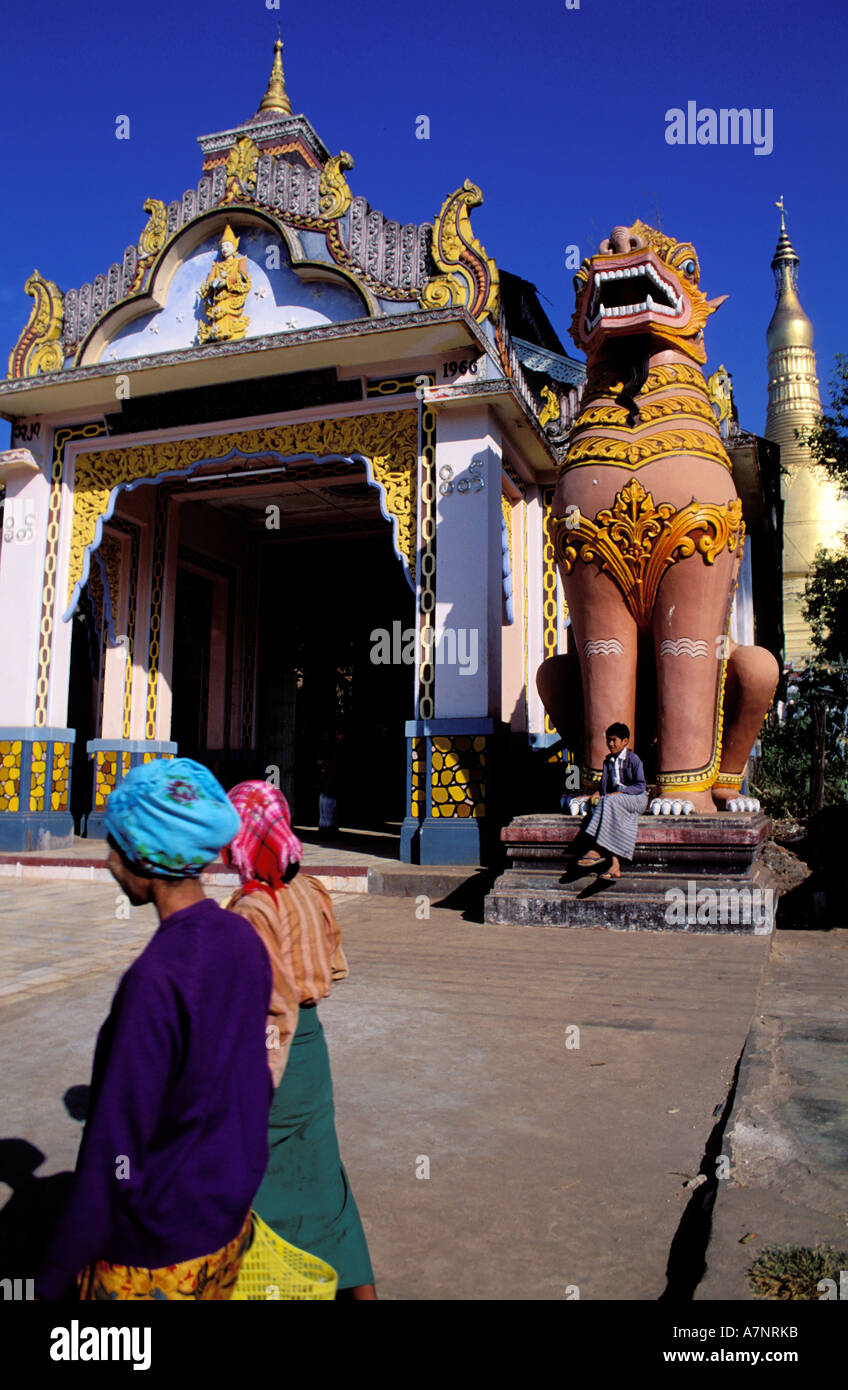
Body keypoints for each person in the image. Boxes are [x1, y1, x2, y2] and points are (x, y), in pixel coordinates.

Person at [35, 758, 273, 1301]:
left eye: (115, 848)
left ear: (144, 857)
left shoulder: (155, 979)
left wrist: (54, 1275)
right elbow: (253, 1082)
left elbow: (114, 1144)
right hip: (225, 1225)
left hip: (153, 1252)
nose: (110, 862)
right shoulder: (240, 938)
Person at [222, 780, 376, 1300]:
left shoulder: (249, 909)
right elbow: (336, 965)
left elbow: (258, 1005)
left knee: (249, 1187)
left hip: (269, 1054)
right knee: (324, 1184)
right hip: (311, 1048)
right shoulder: (311, 891)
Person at [577, 723, 648, 880]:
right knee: (607, 805)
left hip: (637, 798)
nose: (611, 744)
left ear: (625, 741)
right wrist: (597, 793)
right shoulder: (608, 761)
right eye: (608, 740)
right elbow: (605, 787)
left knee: (609, 801)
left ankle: (597, 847)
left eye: (614, 740)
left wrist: (621, 793)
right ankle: (615, 865)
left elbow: (641, 785)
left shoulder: (633, 759)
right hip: (616, 800)